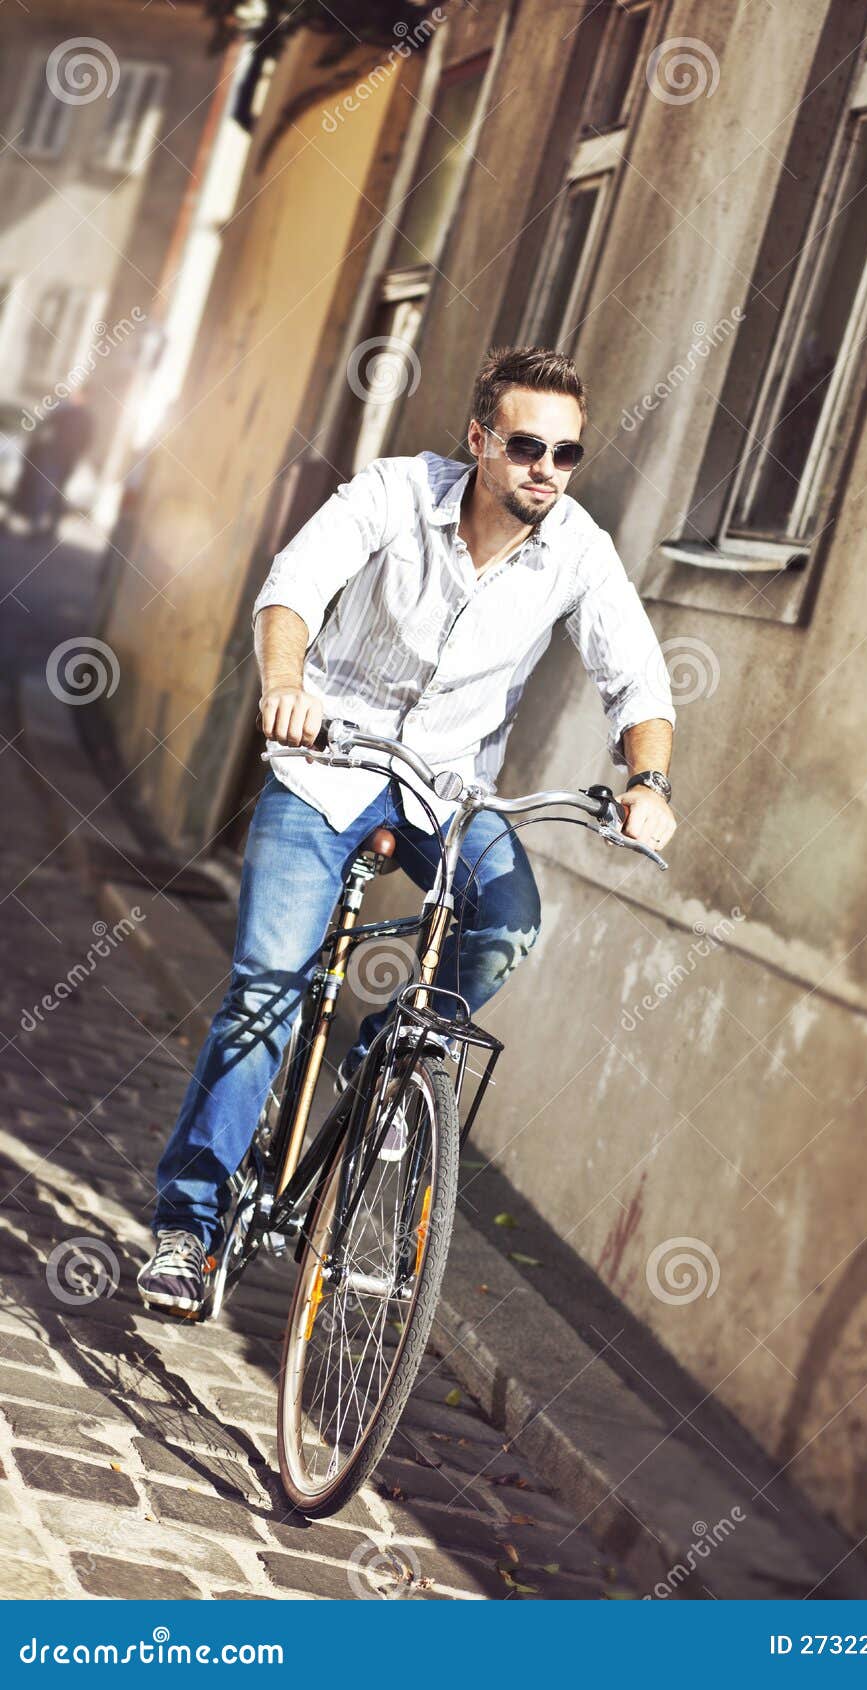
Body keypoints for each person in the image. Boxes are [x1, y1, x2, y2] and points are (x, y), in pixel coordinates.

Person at [137, 345, 678, 1314]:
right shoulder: (394, 494)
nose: (545, 471)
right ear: (478, 441)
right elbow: (292, 589)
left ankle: (386, 1057)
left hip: (444, 791)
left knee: (507, 914)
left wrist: (646, 778)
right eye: (523, 448)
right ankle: (189, 1223)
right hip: (327, 768)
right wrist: (285, 688)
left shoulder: (578, 551)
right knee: (267, 990)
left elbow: (635, 676)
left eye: (564, 454)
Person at [4, 390, 94, 538]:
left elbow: (85, 440)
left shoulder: (78, 416)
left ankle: (44, 525)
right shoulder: (70, 414)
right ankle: (39, 524)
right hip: (55, 456)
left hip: (61, 458)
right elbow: (47, 425)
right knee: (45, 490)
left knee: (51, 491)